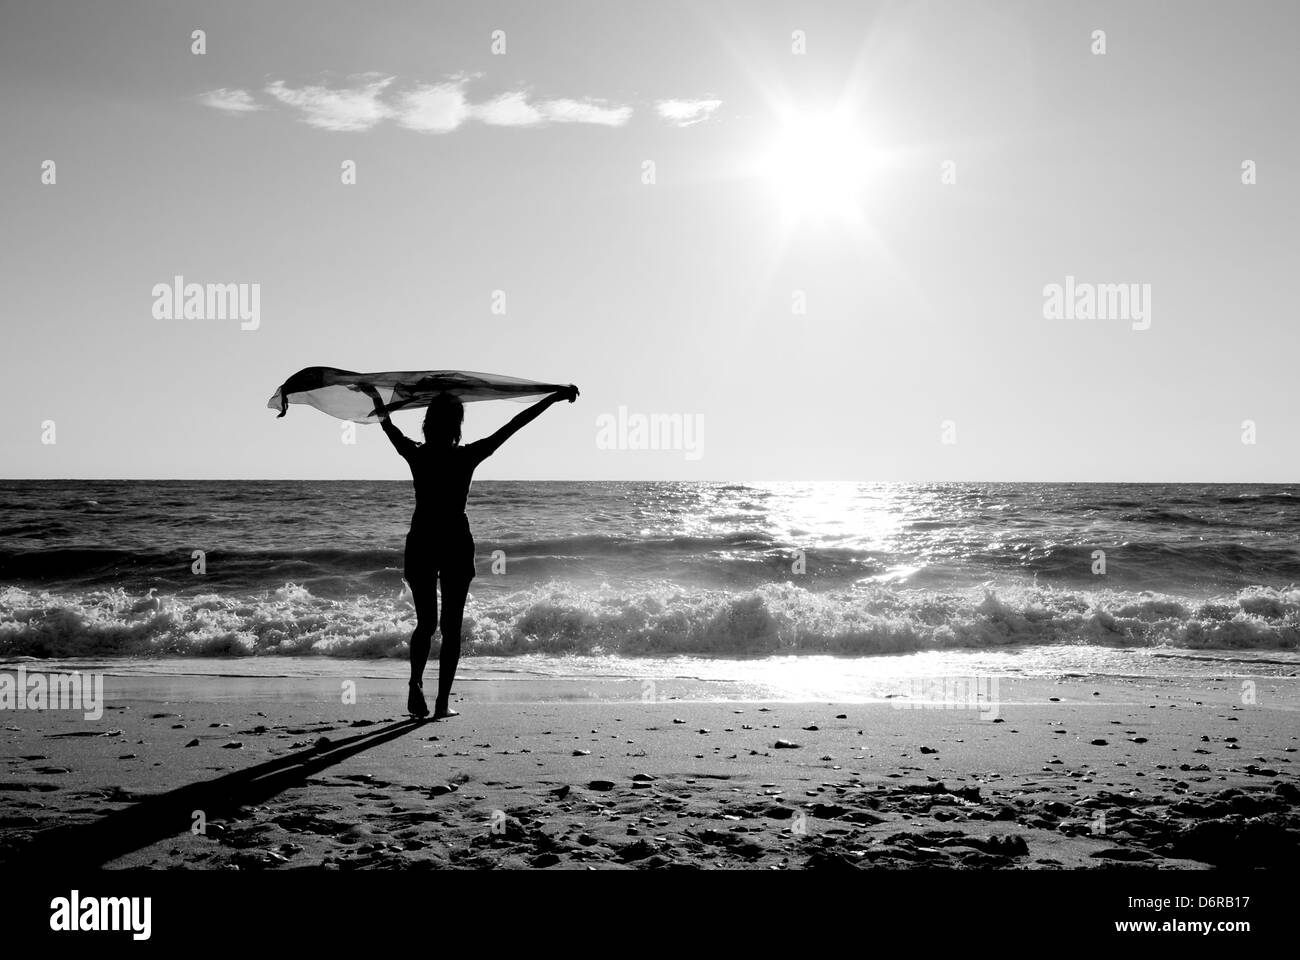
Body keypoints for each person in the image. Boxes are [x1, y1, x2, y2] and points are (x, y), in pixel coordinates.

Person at [361, 383, 579, 719]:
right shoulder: (467, 456)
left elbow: (386, 423)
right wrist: (550, 399)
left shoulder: (416, 454)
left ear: (426, 424)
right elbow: (514, 425)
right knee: (450, 628)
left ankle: (415, 682)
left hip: (421, 541)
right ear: (458, 427)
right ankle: (441, 703)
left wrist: (376, 397)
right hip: (454, 544)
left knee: (424, 624)